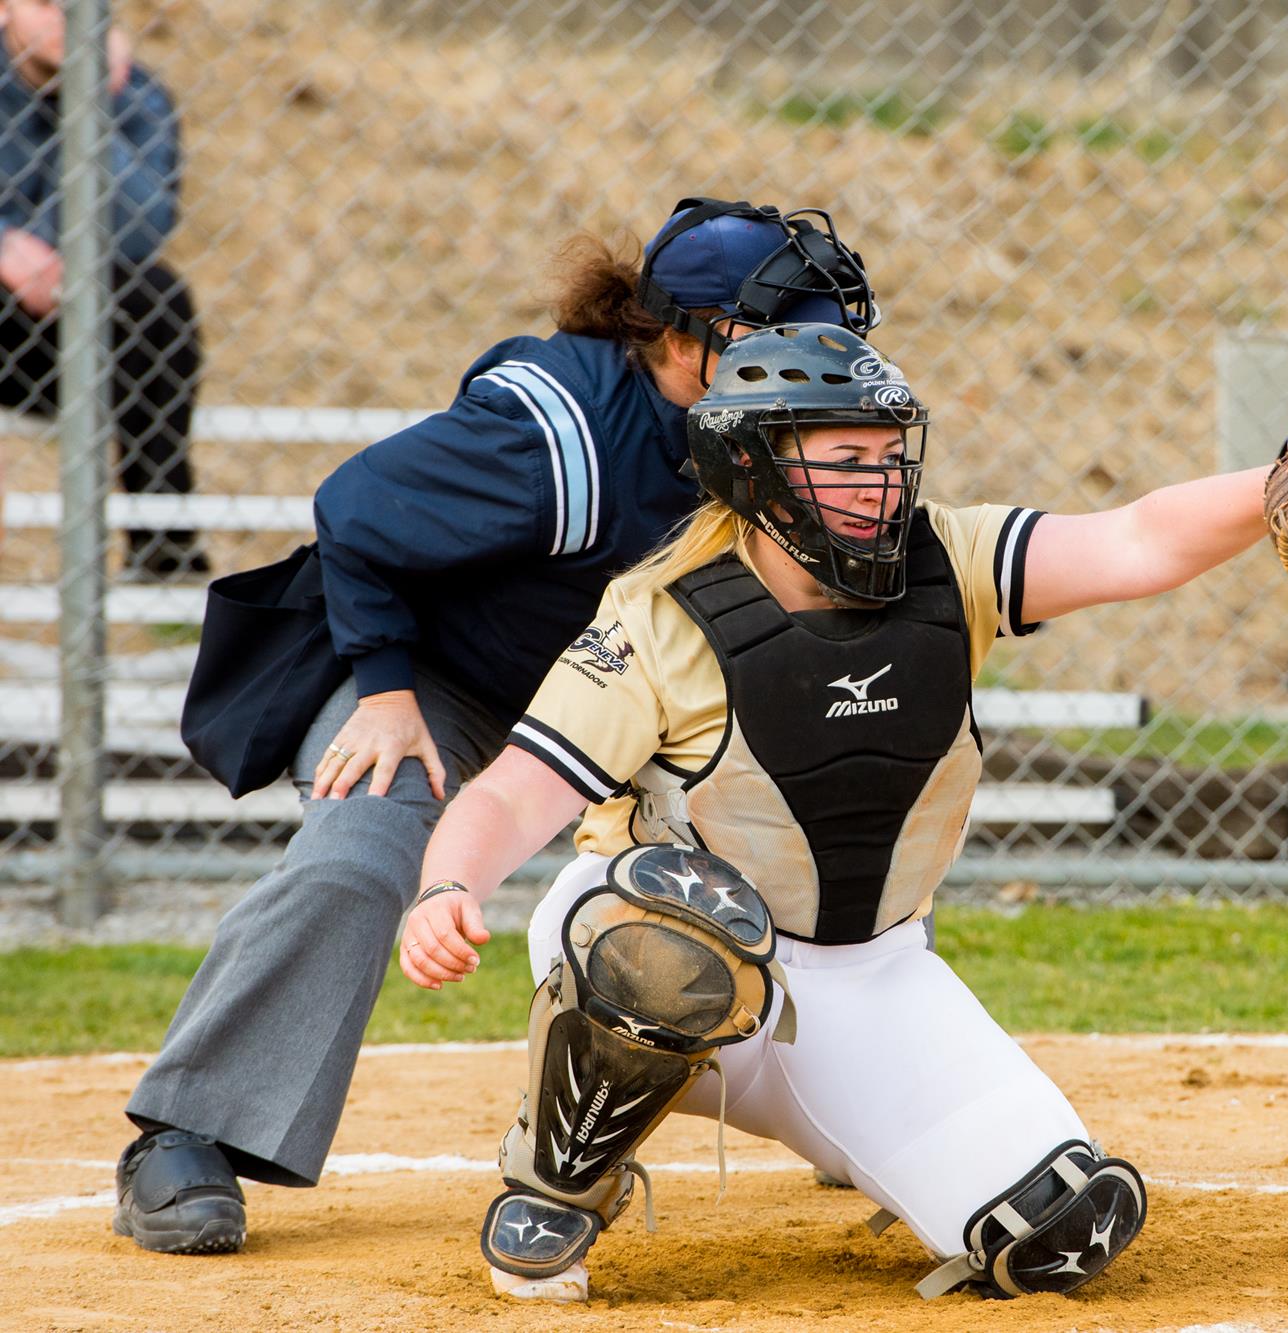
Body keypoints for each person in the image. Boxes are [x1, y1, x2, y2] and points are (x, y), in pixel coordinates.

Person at [399, 322, 1286, 1304]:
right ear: (752, 468)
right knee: (669, 930)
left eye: (886, 457)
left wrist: (1287, 478)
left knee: (1059, 1229)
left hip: (870, 980)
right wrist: (448, 885)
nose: (880, 483)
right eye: (845, 460)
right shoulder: (659, 616)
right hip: (667, 975)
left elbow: (1137, 538)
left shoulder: (950, 557)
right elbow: (517, 787)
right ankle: (558, 1179)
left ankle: (860, 1141)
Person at [111, 199, 880, 1256]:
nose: (814, 354)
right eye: (779, 330)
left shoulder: (766, 427)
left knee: (799, 830)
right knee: (361, 851)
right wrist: (381, 689)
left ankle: (875, 1110)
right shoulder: (554, 429)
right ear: (684, 334)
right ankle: (184, 1132)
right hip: (439, 679)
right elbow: (357, 510)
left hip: (622, 695)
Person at [0, 0, 205, 578]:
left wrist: (87, 108)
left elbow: (143, 230)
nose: (64, 16)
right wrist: (6, 248)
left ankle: (162, 545)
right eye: (45, 3)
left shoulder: (132, 94)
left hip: (75, 319)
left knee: (158, 297)